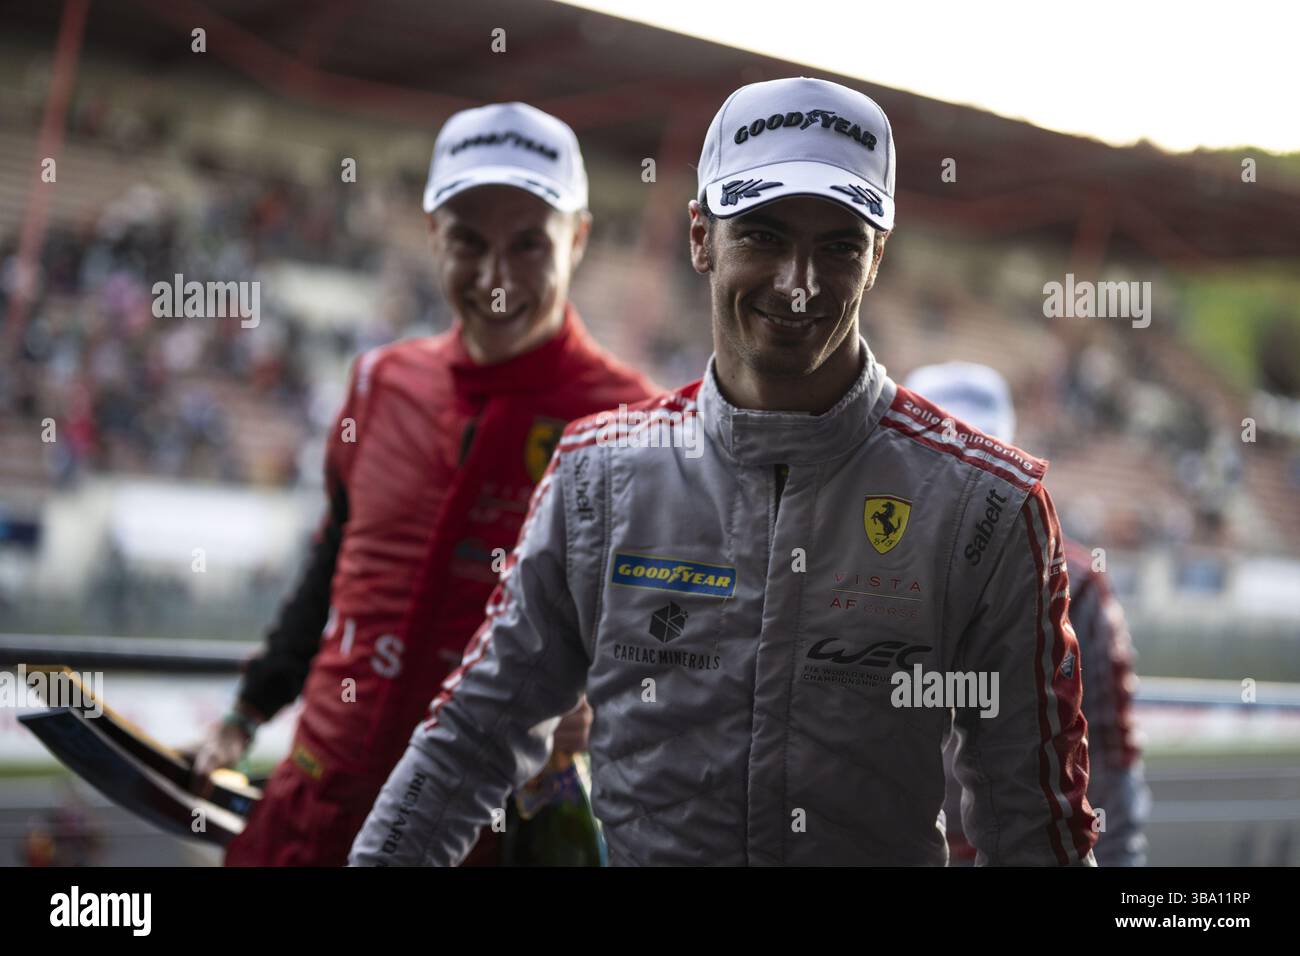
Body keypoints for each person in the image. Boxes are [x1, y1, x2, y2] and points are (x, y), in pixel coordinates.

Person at [350, 77, 1097, 866]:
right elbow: (474, 737)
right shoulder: (596, 478)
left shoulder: (987, 505)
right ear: (701, 236)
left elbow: (1035, 827)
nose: (798, 282)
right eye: (765, 235)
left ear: (877, 257)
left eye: (839, 244)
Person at [191, 102, 654, 866]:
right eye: (469, 241)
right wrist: (242, 715)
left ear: (579, 240)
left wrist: (606, 705)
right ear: (432, 233)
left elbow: (670, 648)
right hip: (308, 813)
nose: (496, 278)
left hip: (474, 837)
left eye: (529, 244)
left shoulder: (631, 420)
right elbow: (329, 573)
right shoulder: (380, 381)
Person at [904, 361, 1149, 866]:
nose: (963, 483)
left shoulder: (1075, 582)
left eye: (978, 457)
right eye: (947, 460)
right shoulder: (858, 571)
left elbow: (1112, 759)